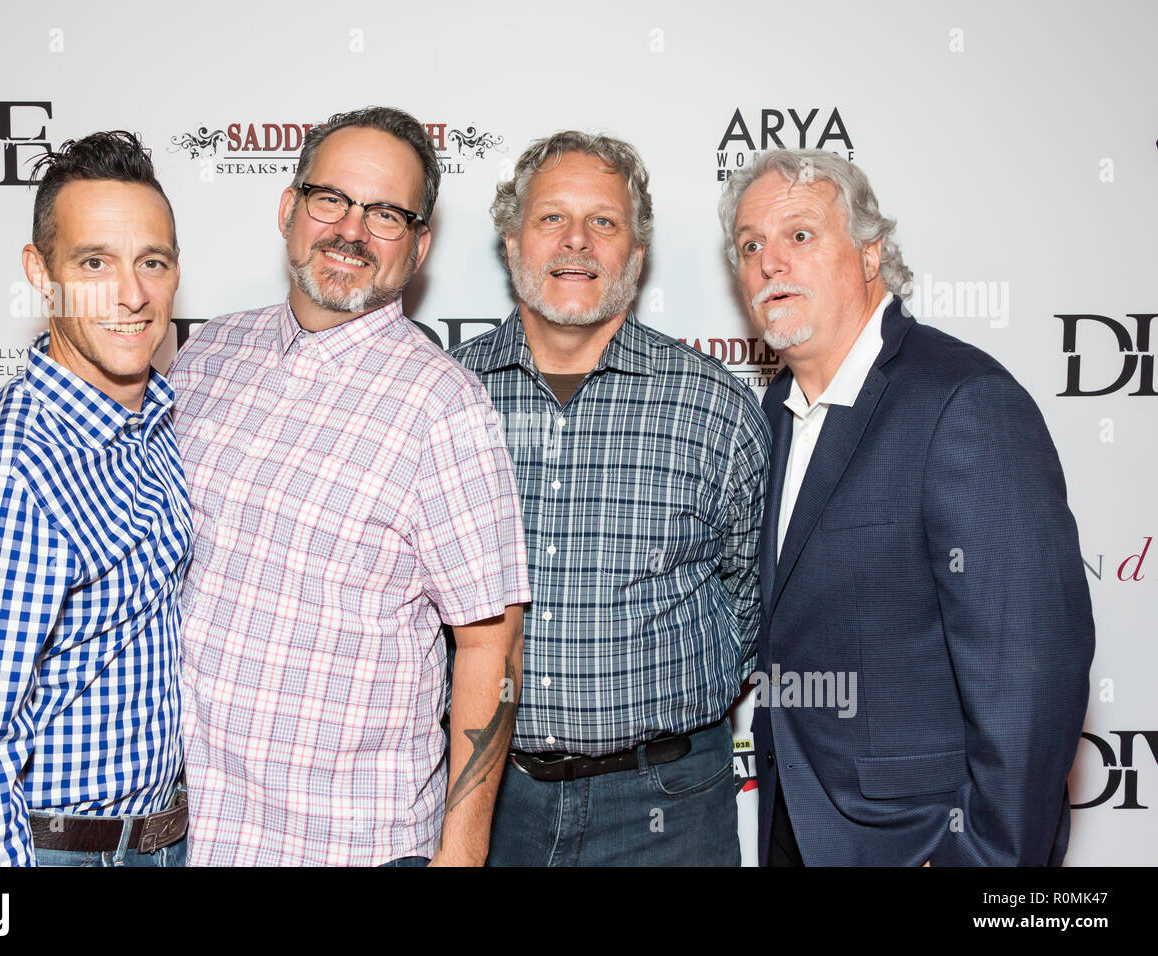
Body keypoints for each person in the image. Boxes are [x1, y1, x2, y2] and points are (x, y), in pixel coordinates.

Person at [171, 106, 529, 867]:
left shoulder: (445, 409)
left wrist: (461, 856)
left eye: (387, 214)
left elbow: (489, 647)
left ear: (420, 245)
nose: (351, 231)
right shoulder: (206, 354)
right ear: (288, 208)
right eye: (330, 199)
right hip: (185, 834)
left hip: (349, 843)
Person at [719, 149, 1094, 866]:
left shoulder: (962, 402)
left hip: (921, 844)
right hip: (798, 833)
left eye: (799, 236)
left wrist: (980, 862)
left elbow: (1030, 673)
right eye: (749, 245)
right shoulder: (773, 412)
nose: (770, 263)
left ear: (869, 253)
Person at [451, 132, 770, 866]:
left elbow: (750, 599)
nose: (576, 242)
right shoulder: (445, 397)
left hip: (668, 802)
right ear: (511, 243)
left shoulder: (713, 407)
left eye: (604, 222)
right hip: (485, 797)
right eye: (550, 218)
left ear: (636, 253)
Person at [0, 131, 192, 866]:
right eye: (94, 262)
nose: (131, 295)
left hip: (167, 840)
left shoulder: (155, 422)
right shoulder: (9, 474)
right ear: (42, 272)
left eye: (151, 262)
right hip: (63, 853)